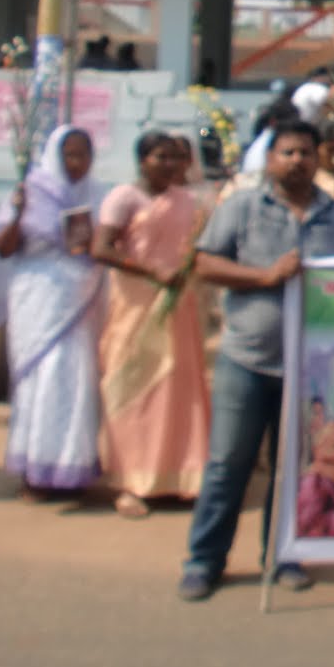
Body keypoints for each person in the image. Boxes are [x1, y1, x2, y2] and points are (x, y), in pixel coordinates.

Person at [178, 119, 334, 602]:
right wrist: (265, 278)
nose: (298, 161)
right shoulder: (242, 207)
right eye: (288, 152)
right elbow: (203, 264)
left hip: (308, 370)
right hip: (247, 359)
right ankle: (204, 560)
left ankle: (283, 556)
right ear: (270, 158)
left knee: (292, 469)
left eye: (306, 152)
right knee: (226, 464)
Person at [91, 130, 213, 519]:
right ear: (142, 159)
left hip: (177, 308)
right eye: (161, 157)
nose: (170, 165)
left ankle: (181, 478)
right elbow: (101, 249)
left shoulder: (188, 202)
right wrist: (150, 270)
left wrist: (181, 272)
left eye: (176, 159)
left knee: (178, 393)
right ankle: (131, 483)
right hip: (135, 307)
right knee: (133, 391)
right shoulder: (123, 198)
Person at [0, 126, 107, 497]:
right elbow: (3, 249)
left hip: (81, 296)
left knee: (77, 381)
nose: (77, 163)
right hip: (39, 297)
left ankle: (73, 467)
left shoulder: (96, 193)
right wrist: (17, 214)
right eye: (69, 155)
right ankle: (34, 470)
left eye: (83, 154)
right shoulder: (32, 191)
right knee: (40, 379)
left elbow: (99, 246)